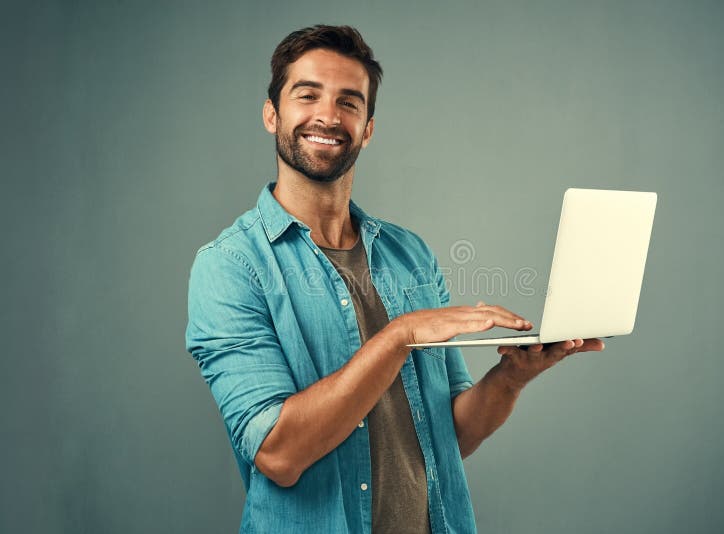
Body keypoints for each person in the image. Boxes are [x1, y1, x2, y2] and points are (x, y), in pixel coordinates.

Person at [185, 24, 604, 534]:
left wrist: (512, 377)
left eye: (349, 102)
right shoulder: (229, 266)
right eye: (307, 94)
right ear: (272, 114)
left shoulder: (410, 255)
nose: (328, 115)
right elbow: (279, 454)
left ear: (367, 127)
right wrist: (399, 336)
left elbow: (452, 436)